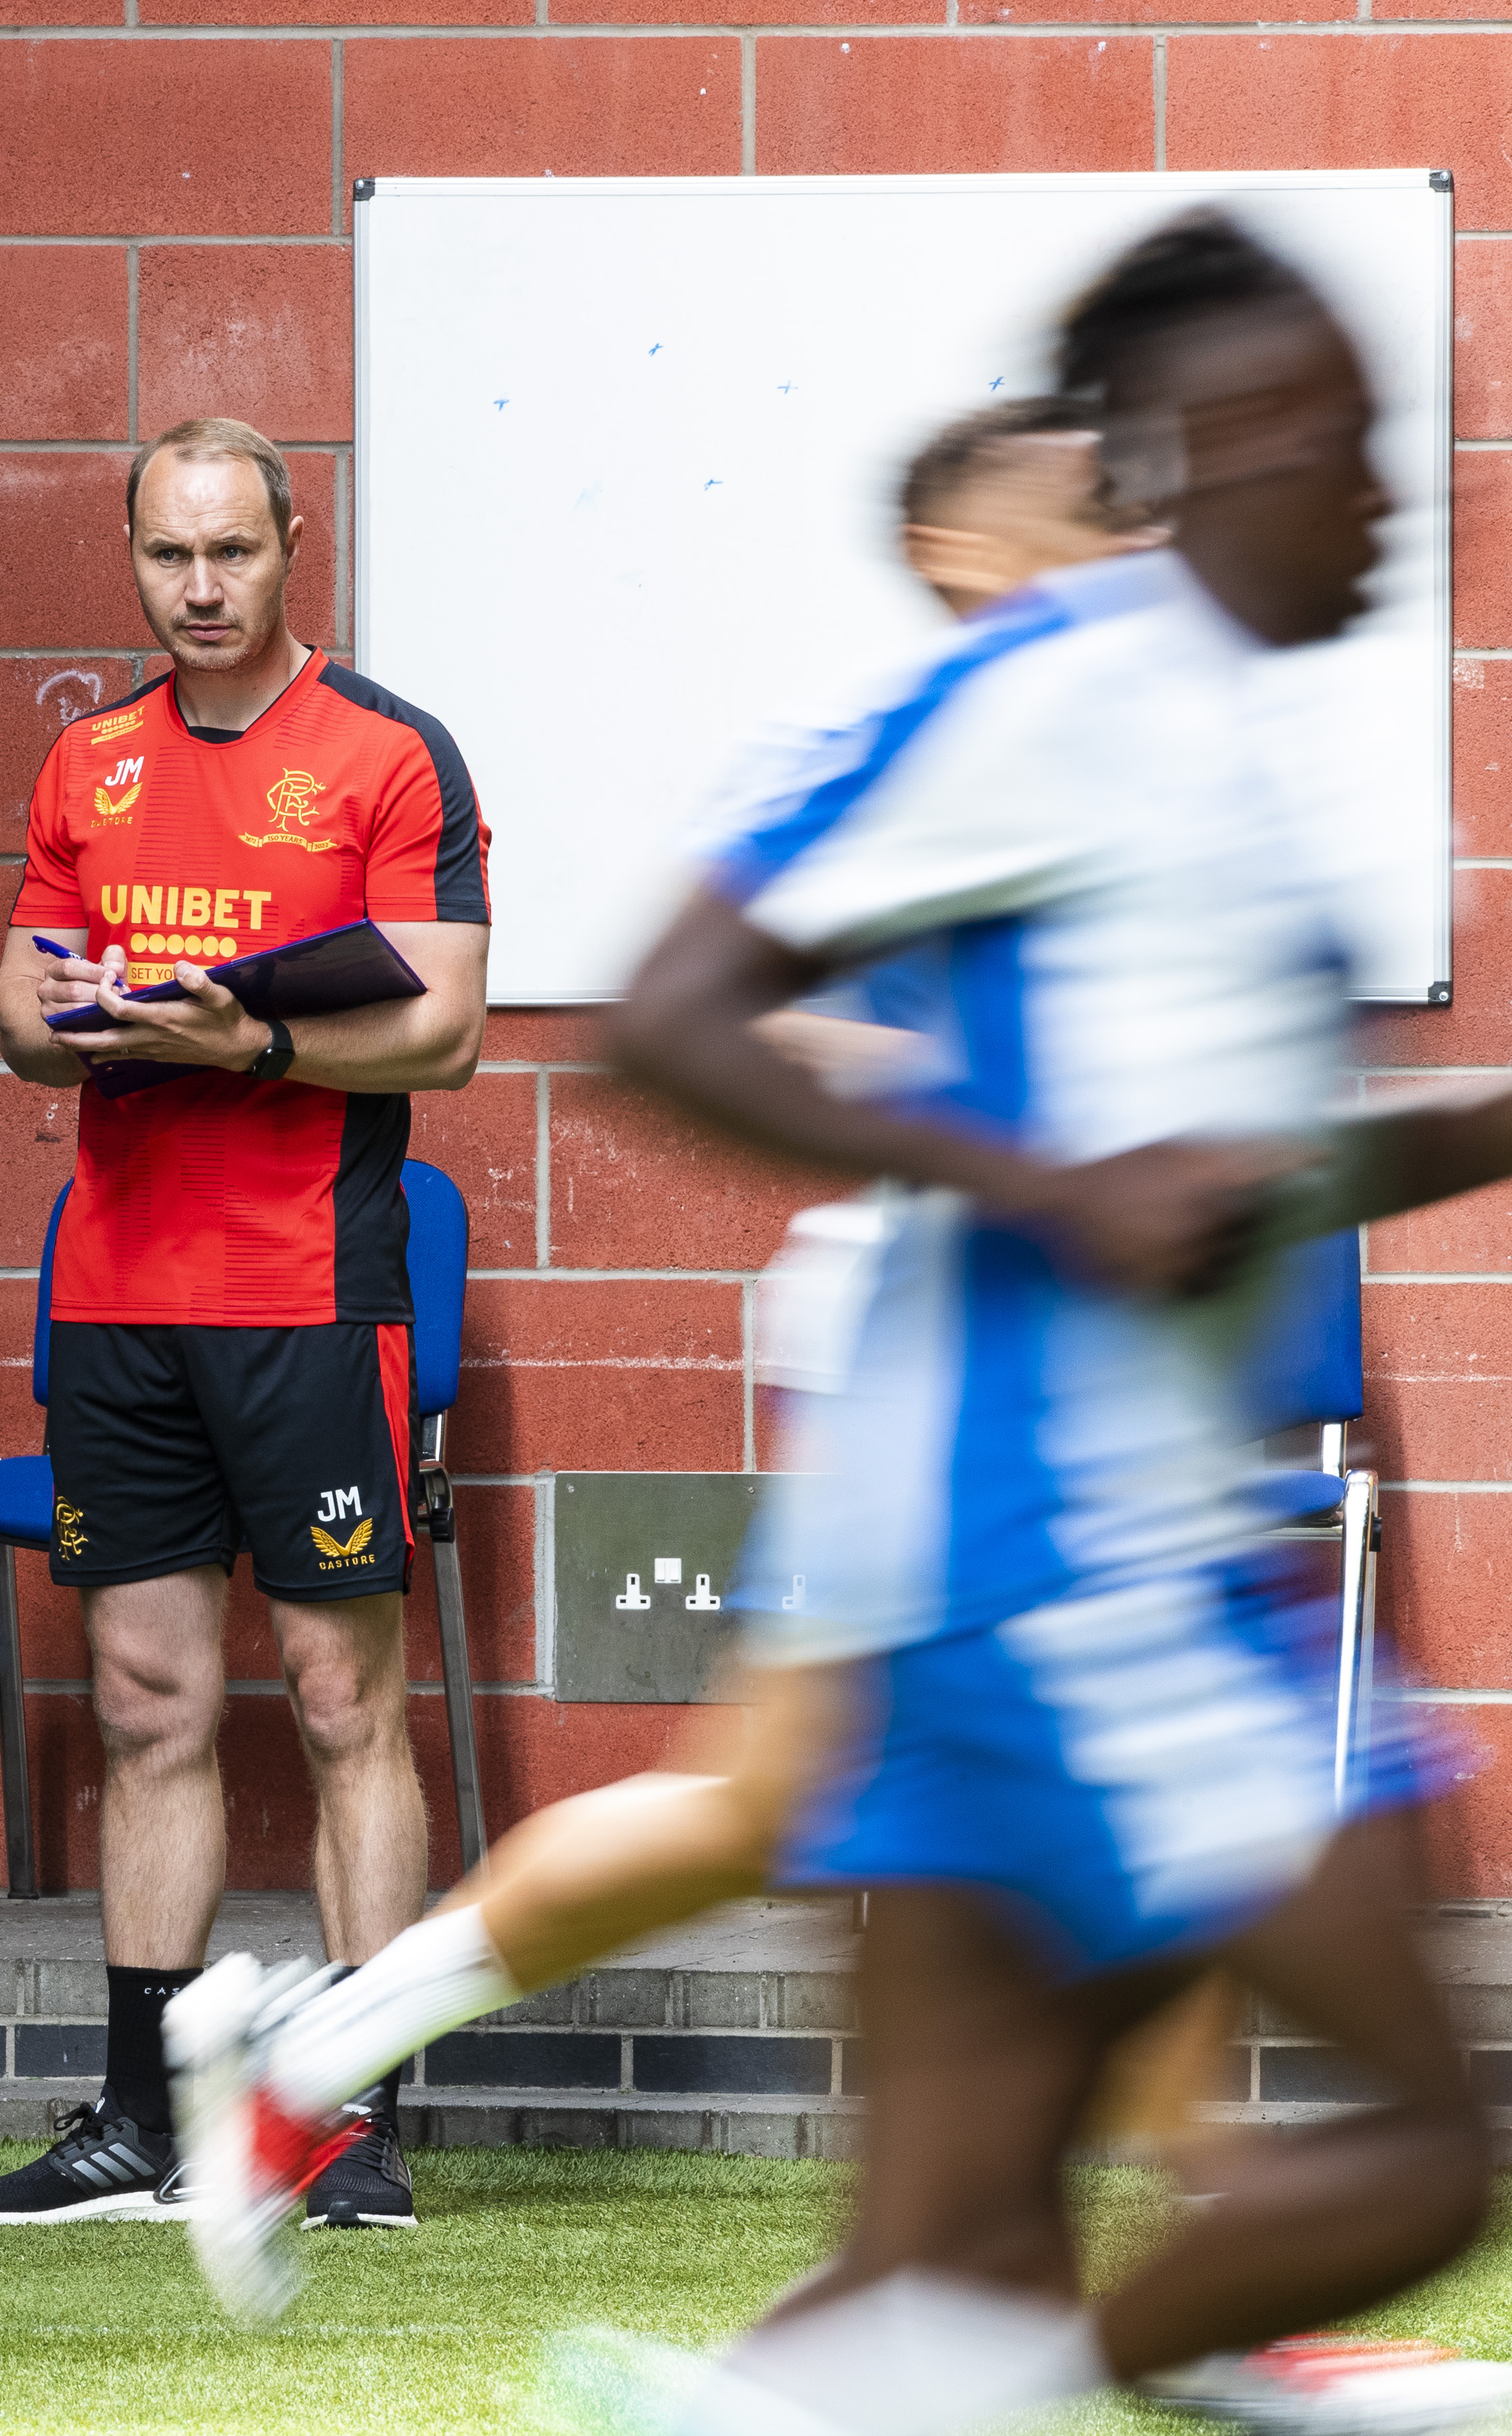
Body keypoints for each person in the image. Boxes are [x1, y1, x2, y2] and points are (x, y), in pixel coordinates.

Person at [543, 213, 1512, 2436]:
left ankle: (887, 2383)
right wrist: (1052, 1186)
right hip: (1081, 1576)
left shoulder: (1217, 745)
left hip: (1043, 1577)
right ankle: (957, 2388)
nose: (1395, 491)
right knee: (1421, 2156)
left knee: (938, 2254)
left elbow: (1257, 1180)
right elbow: (677, 1015)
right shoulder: (1056, 689)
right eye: (1351, 442)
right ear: (1229, 445)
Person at [161, 393, 1180, 2321]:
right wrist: (1010, 1124)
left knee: (883, 1804)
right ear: (967, 550)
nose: (1137, 534)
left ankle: (303, 2062)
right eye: (1092, 505)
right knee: (981, 1797)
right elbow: (724, 1020)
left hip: (1065, 1349)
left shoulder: (1118, 744)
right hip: (940, 1338)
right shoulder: (932, 743)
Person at [0, 415, 492, 2233]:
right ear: (132, 551)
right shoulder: (84, 765)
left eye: (232, 554)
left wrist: (244, 1039)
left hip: (313, 1295)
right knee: (144, 1701)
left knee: (342, 1701)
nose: (199, 589)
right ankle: (139, 2126)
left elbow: (445, 1028)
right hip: (118, 1294)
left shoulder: (387, 751)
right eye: (168, 557)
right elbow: (19, 1004)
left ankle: (353, 2131)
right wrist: (87, 1015)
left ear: (289, 542)